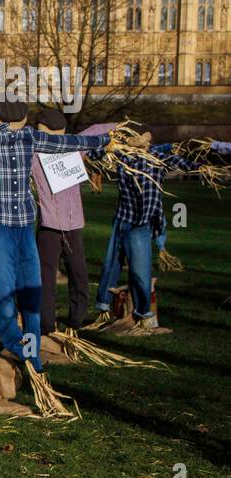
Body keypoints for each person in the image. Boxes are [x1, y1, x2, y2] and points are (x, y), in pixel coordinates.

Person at [0, 102, 111, 375]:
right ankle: (23, 349)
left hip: (23, 228)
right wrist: (104, 140)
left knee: (25, 295)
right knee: (13, 295)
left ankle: (29, 351)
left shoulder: (8, 136)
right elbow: (72, 143)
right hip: (1, 228)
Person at [84, 126, 208, 334]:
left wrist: (201, 168)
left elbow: (180, 163)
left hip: (140, 224)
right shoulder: (122, 156)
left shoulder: (155, 157)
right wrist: (108, 144)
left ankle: (143, 315)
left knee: (139, 271)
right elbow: (94, 155)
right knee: (111, 264)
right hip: (123, 219)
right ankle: (105, 308)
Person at [30, 109, 90, 335]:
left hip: (72, 225)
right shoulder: (36, 154)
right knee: (47, 277)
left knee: (78, 274)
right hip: (49, 226)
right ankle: (48, 325)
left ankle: (74, 322)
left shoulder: (74, 147)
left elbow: (101, 130)